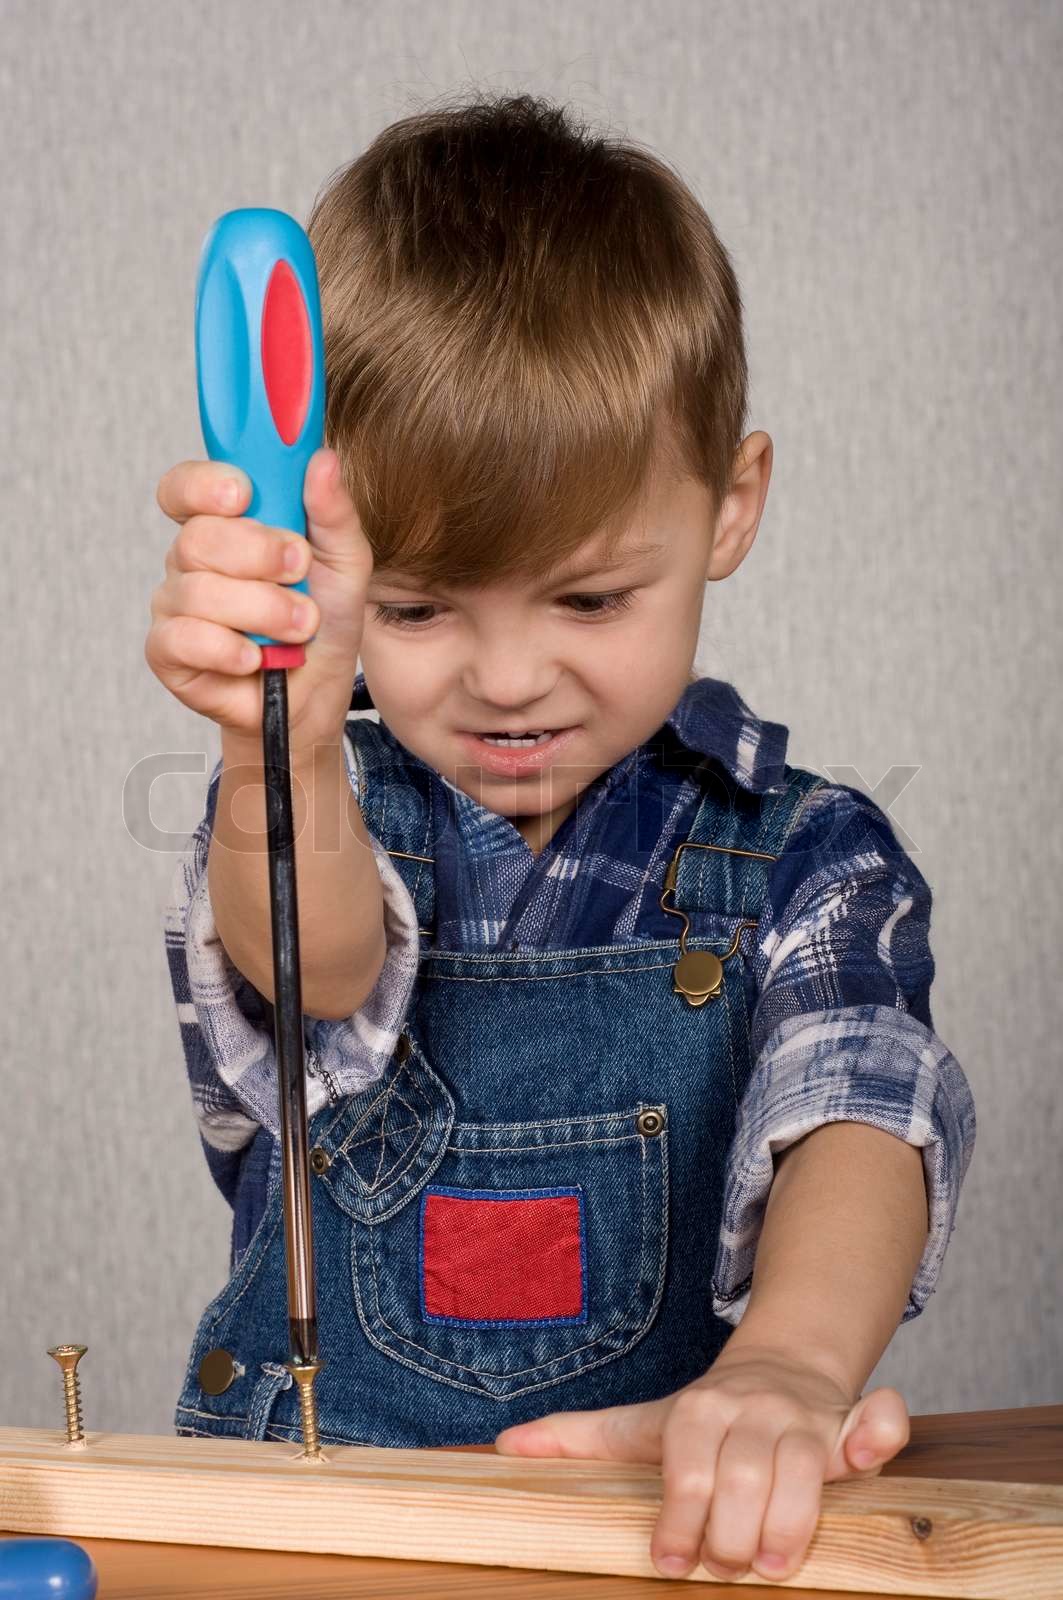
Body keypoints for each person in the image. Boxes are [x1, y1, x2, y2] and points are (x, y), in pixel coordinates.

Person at [146, 92, 976, 1586]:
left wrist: (788, 1364)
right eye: (416, 607)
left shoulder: (808, 861)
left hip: (654, 1542)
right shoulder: (310, 797)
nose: (510, 677)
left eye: (589, 599)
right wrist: (279, 743)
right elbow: (316, 972)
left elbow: (859, 1108)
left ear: (731, 507)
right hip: (307, 1536)